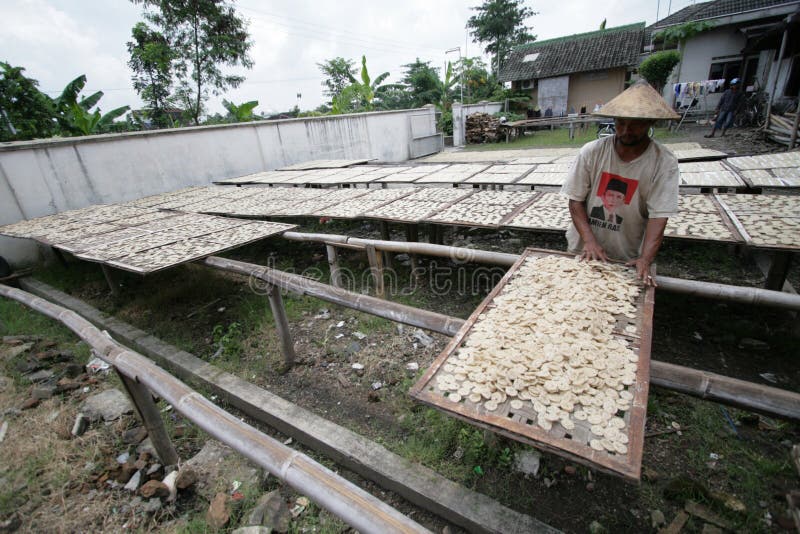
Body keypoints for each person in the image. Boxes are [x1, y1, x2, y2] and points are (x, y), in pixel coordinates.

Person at [561, 80, 680, 286]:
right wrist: (589, 241)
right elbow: (575, 201)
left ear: (650, 123)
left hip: (627, 255)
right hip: (584, 248)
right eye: (621, 123)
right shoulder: (592, 152)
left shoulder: (663, 163)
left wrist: (645, 258)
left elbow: (659, 217)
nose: (626, 130)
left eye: (635, 124)